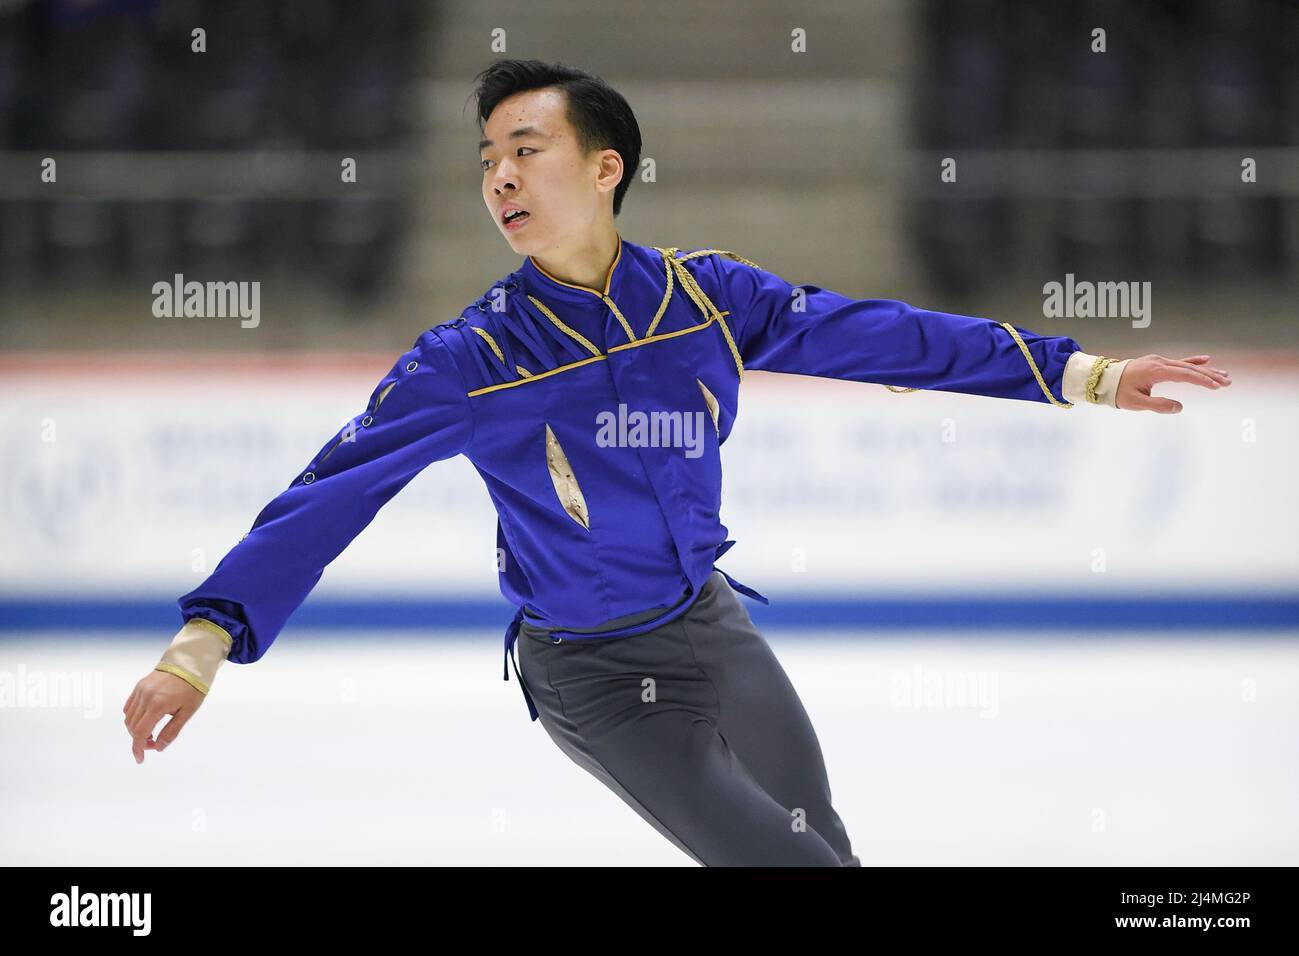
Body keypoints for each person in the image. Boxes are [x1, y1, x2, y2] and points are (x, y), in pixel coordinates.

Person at [123, 59, 1232, 866]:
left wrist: (1079, 370)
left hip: (713, 626)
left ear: (606, 167)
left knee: (825, 853)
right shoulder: (471, 359)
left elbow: (884, 335)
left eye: (526, 149)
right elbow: (328, 494)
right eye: (486, 160)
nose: (498, 177)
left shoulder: (706, 297)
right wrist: (200, 641)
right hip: (597, 674)